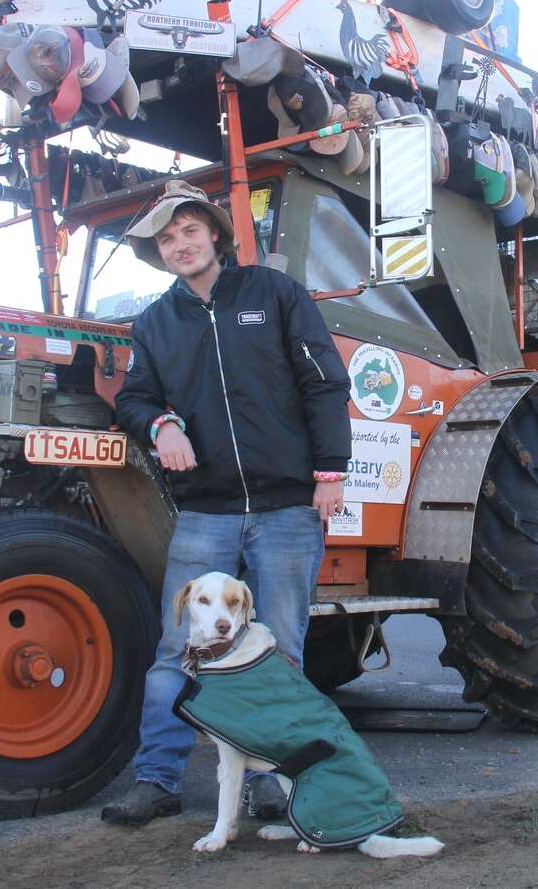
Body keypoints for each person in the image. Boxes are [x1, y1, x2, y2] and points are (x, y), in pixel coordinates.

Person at [101, 179, 352, 826]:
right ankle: (157, 779)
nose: (179, 244)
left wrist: (330, 471)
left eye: (188, 230)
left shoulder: (274, 295)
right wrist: (161, 425)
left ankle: (274, 779)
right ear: (158, 253)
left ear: (213, 232)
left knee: (280, 648)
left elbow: (324, 379)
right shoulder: (156, 324)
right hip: (206, 511)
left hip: (286, 509)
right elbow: (132, 399)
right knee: (176, 650)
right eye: (165, 238)